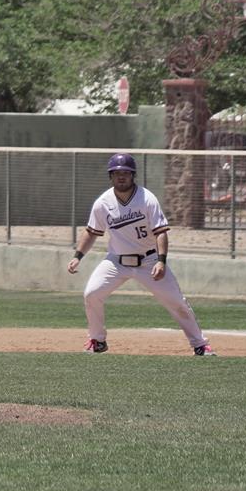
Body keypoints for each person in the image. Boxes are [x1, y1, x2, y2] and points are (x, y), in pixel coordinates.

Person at [67, 153, 215, 356]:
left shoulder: (147, 199)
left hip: (148, 260)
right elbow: (92, 232)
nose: (121, 176)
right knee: (92, 294)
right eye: (117, 173)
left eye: (126, 173)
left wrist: (161, 261)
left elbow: (161, 232)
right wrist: (78, 256)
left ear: (132, 175)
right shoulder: (103, 203)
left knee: (176, 302)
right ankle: (97, 340)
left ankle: (200, 344)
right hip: (116, 262)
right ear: (111, 176)